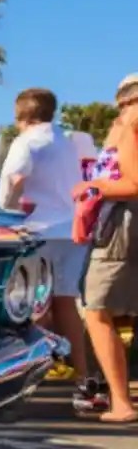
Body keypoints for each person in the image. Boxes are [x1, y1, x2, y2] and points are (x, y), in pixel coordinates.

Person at [0, 88, 90, 382]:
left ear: (20, 115)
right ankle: (82, 375)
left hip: (39, 229)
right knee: (66, 302)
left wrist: (9, 208)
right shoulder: (67, 142)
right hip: (71, 230)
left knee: (31, 303)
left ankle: (33, 374)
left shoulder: (26, 143)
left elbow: (16, 181)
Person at [72, 74, 138, 422]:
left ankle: (121, 404)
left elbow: (133, 182)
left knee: (96, 309)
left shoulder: (130, 124)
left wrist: (93, 185)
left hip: (122, 224)